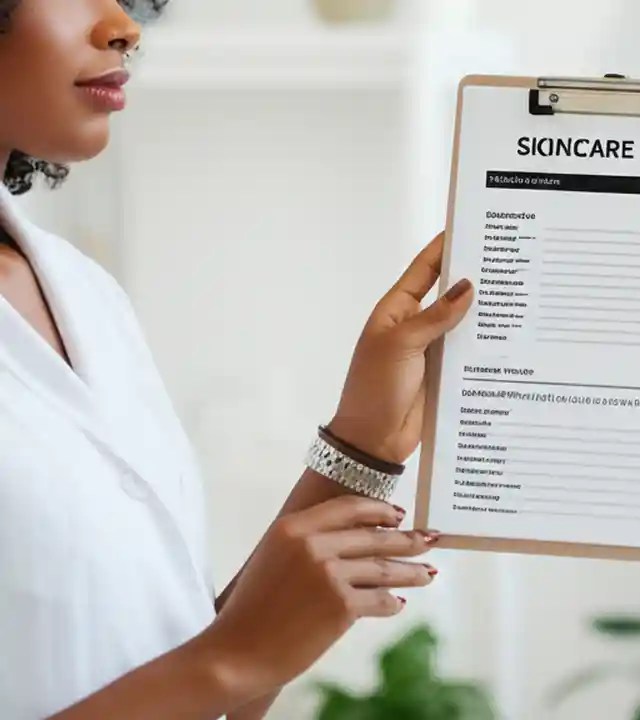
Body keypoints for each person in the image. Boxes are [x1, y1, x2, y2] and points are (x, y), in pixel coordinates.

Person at [0, 1, 476, 717]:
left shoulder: (80, 292)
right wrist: (233, 659)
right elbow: (219, 667)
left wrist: (364, 445)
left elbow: (202, 685)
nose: (124, 25)